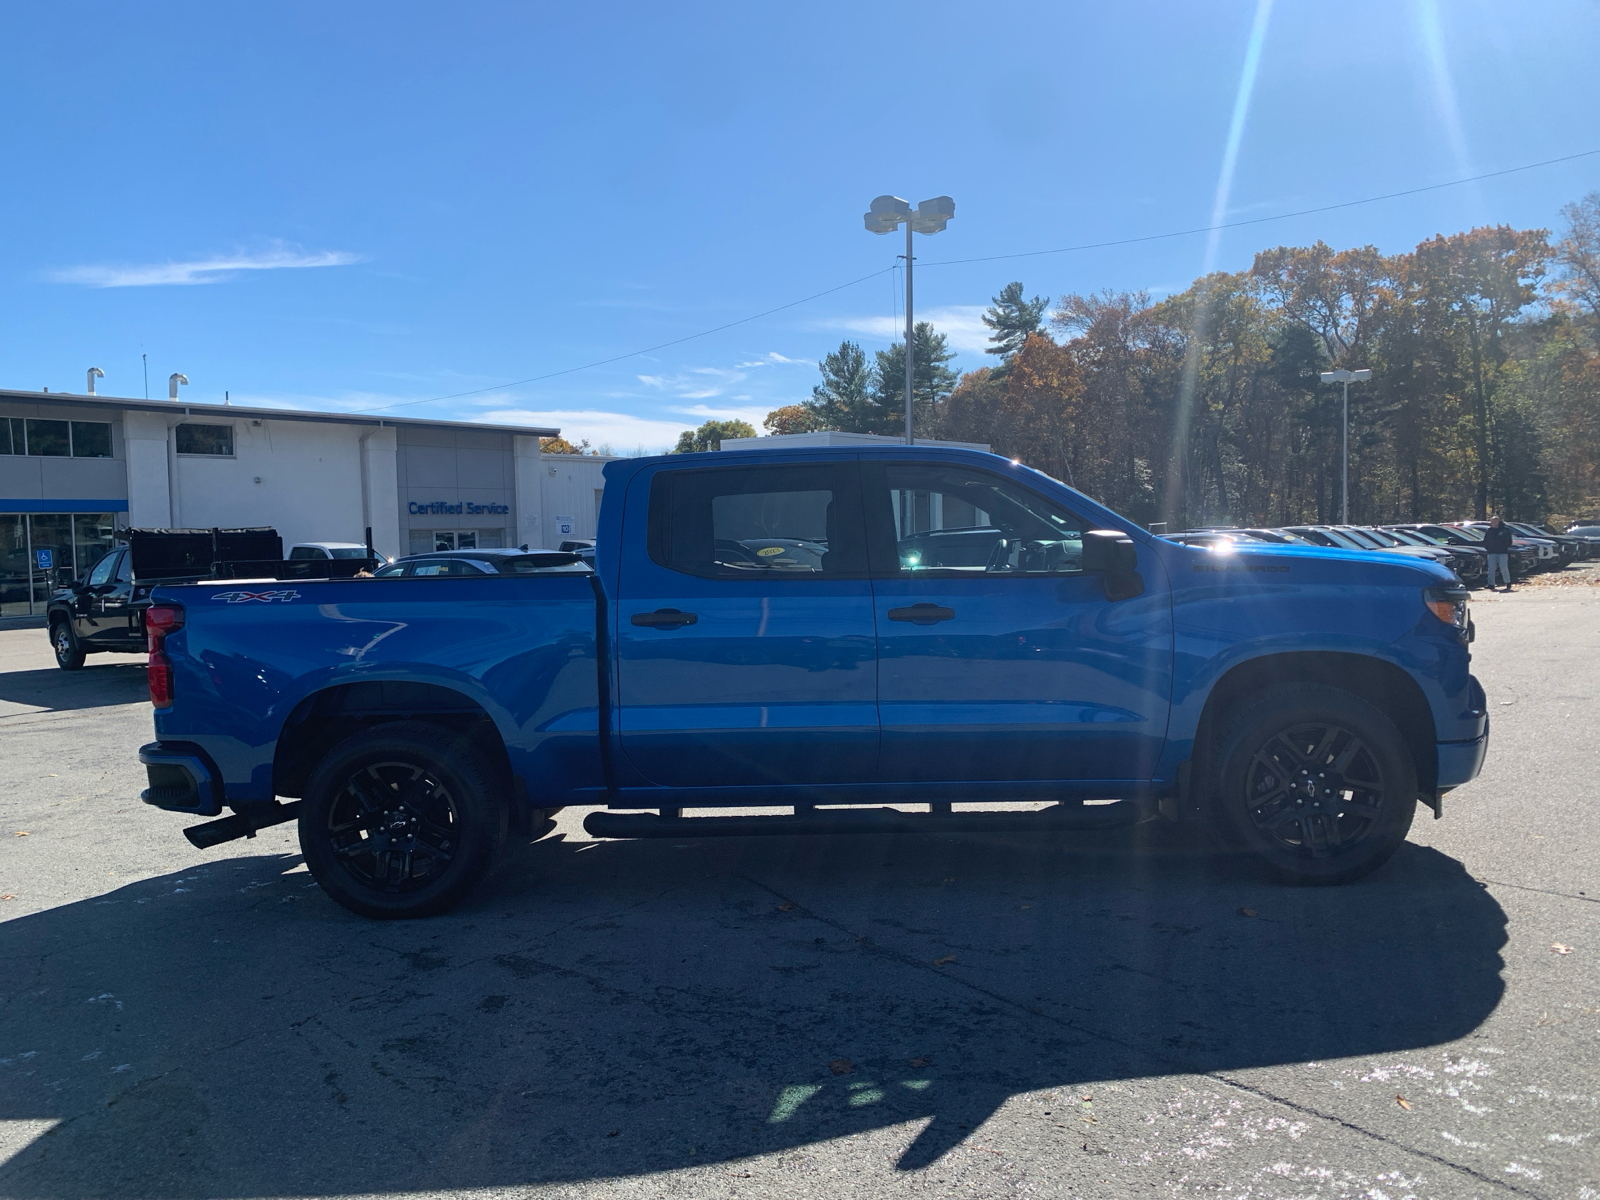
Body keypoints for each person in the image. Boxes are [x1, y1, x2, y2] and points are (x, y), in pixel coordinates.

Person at [1482, 515, 1515, 591]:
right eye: (1491, 521)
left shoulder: (1505, 530)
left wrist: (1505, 547)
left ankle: (1508, 582)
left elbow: (1509, 541)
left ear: (1498, 521)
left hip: (1502, 552)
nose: (1492, 523)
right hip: (1491, 552)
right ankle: (1491, 584)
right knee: (1491, 568)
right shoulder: (1489, 530)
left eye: (1494, 521)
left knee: (1503, 567)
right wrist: (1488, 548)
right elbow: (1486, 541)